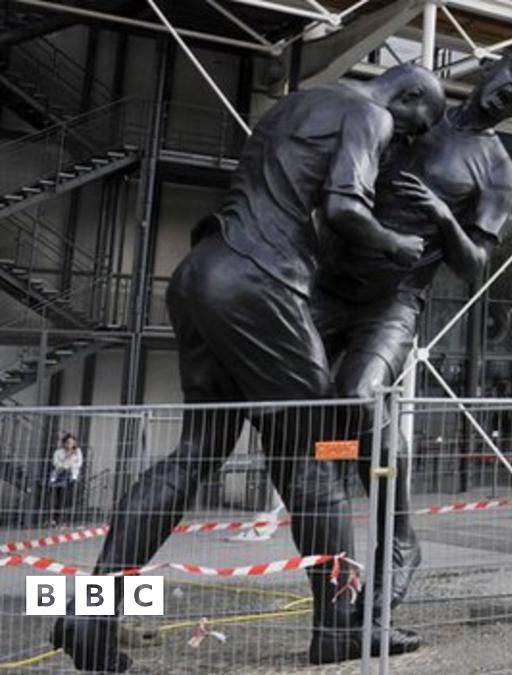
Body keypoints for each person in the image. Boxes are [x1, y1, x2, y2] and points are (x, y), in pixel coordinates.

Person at [51, 65, 447, 672]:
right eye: (417, 125)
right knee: (317, 452)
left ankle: (90, 613)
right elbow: (345, 207)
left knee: (196, 452)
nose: (408, 138)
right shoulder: (369, 113)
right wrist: (396, 245)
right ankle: (337, 628)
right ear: (411, 94)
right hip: (259, 283)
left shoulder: (300, 103)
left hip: (201, 270)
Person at [308, 51, 512, 630]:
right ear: (490, 70)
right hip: (325, 285)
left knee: (356, 396)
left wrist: (443, 216)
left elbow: (473, 266)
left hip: (393, 302)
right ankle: (332, 614)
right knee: (299, 421)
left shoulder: (499, 170)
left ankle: (400, 540)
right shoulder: (418, 107)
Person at [47, 433, 84, 526]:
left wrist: (70, 466)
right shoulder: (58, 452)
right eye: (68, 442)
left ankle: (64, 519)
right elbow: (55, 463)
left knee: (68, 498)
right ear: (64, 443)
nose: (69, 445)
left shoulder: (77, 452)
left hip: (72, 476)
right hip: (59, 476)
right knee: (56, 498)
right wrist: (64, 465)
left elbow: (79, 463)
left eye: (72, 442)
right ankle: (54, 519)